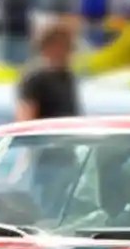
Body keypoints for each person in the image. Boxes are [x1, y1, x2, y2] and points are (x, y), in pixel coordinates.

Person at [15, 20, 81, 216]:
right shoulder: (35, 78)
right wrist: (28, 154)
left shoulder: (67, 76)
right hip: (45, 158)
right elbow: (26, 117)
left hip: (67, 154)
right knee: (45, 209)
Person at [1, 0, 32, 64]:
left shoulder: (27, 0)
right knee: (10, 61)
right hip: (11, 34)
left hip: (23, 35)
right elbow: (7, 18)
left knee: (22, 61)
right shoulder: (9, 0)